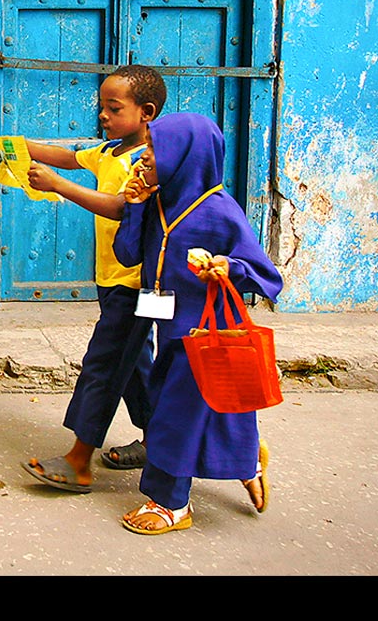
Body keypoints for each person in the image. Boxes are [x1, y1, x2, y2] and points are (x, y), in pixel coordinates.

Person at [112, 111, 284, 534]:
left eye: (154, 149)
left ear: (185, 156)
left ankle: (171, 502)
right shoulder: (156, 202)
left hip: (207, 329)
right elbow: (128, 256)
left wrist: (227, 266)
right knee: (212, 405)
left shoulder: (220, 211)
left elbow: (267, 276)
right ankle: (245, 459)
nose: (144, 157)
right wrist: (133, 208)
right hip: (167, 326)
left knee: (174, 413)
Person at [17, 64, 167, 493]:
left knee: (103, 364)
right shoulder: (110, 152)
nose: (103, 115)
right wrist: (18, 146)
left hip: (137, 283)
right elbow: (67, 156)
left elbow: (121, 206)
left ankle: (79, 461)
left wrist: (59, 186)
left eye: (113, 108)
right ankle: (159, 442)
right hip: (111, 277)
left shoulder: (149, 161)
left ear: (146, 112)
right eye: (101, 106)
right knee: (135, 364)